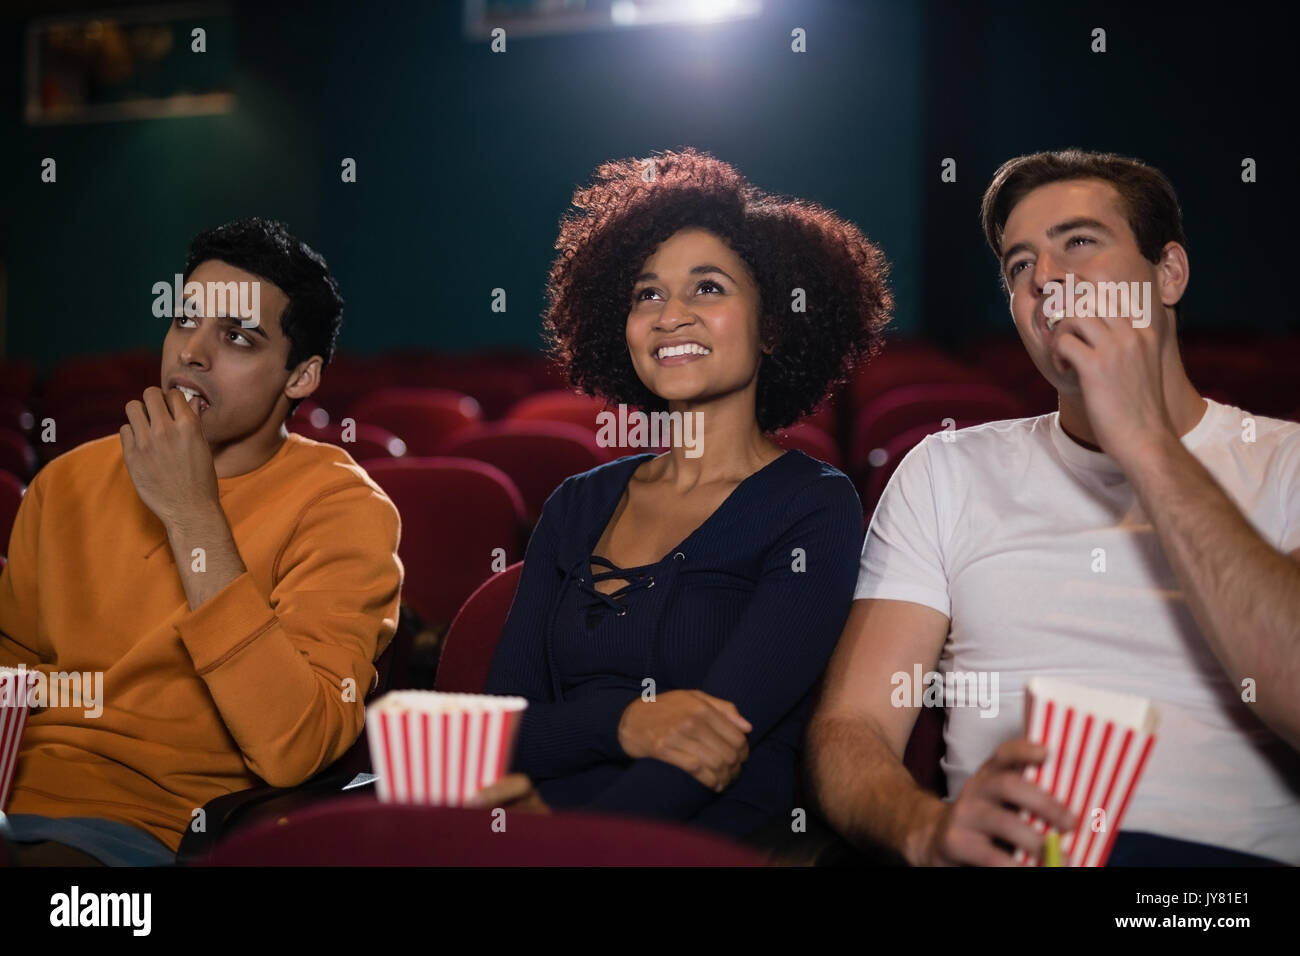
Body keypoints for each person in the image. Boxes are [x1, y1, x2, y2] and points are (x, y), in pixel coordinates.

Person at [808, 148, 1300, 867]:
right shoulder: (946, 472)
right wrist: (926, 829)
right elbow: (852, 726)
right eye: (1019, 265)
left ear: (1169, 274)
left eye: (1079, 242)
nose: (1046, 279)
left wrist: (1142, 441)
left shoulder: (1285, 463)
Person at [479, 148, 891, 840]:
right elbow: (496, 729)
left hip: (702, 843)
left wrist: (566, 840)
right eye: (647, 293)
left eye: (707, 288)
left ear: (772, 327)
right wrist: (628, 722)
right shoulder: (575, 503)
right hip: (532, 834)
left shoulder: (814, 507)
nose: (671, 314)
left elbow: (711, 753)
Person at [0, 218, 403, 865]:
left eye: (237, 338)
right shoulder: (64, 482)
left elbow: (295, 743)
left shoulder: (342, 508)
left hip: (146, 829)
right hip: (15, 797)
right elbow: (18, 676)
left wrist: (192, 516)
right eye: (185, 320)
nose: (192, 351)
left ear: (299, 377)